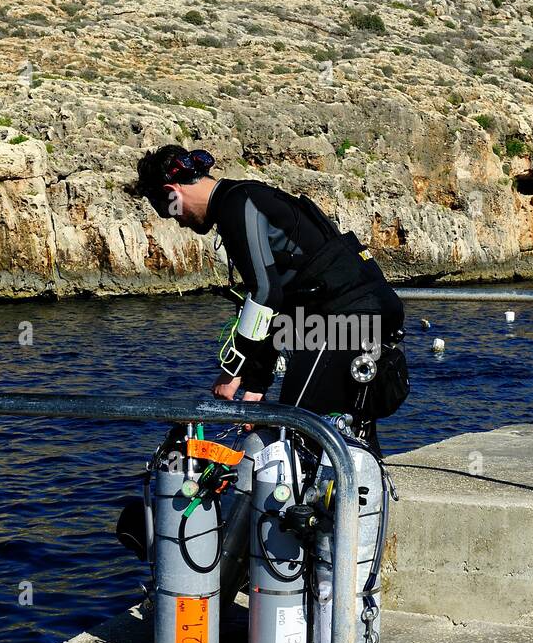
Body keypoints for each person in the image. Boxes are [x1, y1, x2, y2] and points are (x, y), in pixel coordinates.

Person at [133, 146, 406, 450]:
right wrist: (255, 384)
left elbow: (265, 296)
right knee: (346, 434)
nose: (176, 221)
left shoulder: (236, 205)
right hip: (364, 311)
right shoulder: (247, 197)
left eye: (165, 211)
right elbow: (282, 303)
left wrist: (232, 371)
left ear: (172, 192)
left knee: (300, 431)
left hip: (343, 320)